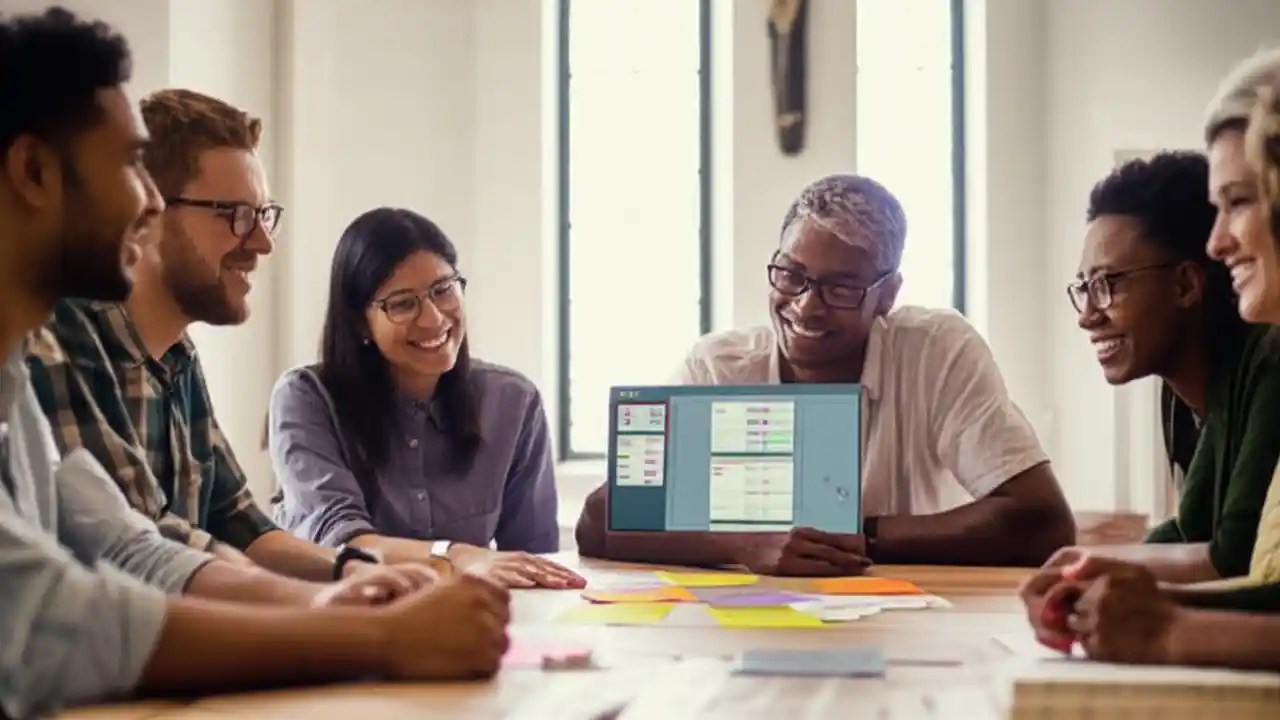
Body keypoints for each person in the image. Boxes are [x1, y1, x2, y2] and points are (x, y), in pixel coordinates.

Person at [0, 8, 508, 717]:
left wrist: (341, 592)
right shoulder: (58, 345)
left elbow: (138, 544)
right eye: (126, 167)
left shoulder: (20, 375)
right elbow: (51, 617)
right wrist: (368, 634)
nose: (144, 201)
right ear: (30, 171)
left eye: (262, 215)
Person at [23, 87, 453, 584]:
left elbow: (239, 521)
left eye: (265, 214)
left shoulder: (178, 356)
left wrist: (354, 572)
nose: (263, 243)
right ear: (147, 212)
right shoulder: (63, 333)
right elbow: (145, 546)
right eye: (237, 216)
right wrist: (329, 604)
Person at [576, 173, 1076, 574]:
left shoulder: (937, 351)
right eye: (791, 275)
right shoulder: (719, 366)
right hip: (747, 621)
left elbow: (1042, 522)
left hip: (908, 620)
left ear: (887, 295)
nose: (806, 307)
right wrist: (741, 540)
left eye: (841, 288)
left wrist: (851, 536)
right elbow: (602, 519)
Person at [1021, 49, 1280, 670]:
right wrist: (1104, 589)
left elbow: (1228, 555)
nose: (1220, 242)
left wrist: (1164, 626)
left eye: (1240, 202)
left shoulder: (1265, 355)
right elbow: (1225, 557)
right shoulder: (1190, 389)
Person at [269, 207, 585, 589]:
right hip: (342, 625)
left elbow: (533, 558)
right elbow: (341, 541)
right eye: (403, 303)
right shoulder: (306, 398)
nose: (434, 318)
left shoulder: (514, 403)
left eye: (443, 289)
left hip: (463, 630)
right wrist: (456, 555)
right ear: (358, 323)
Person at [1055, 151, 1280, 584]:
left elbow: (1234, 555)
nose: (1087, 315)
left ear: (1185, 285)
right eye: (1084, 288)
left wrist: (1084, 567)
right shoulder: (1181, 392)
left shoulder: (1267, 359)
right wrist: (1081, 565)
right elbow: (1188, 532)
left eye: (1107, 285)